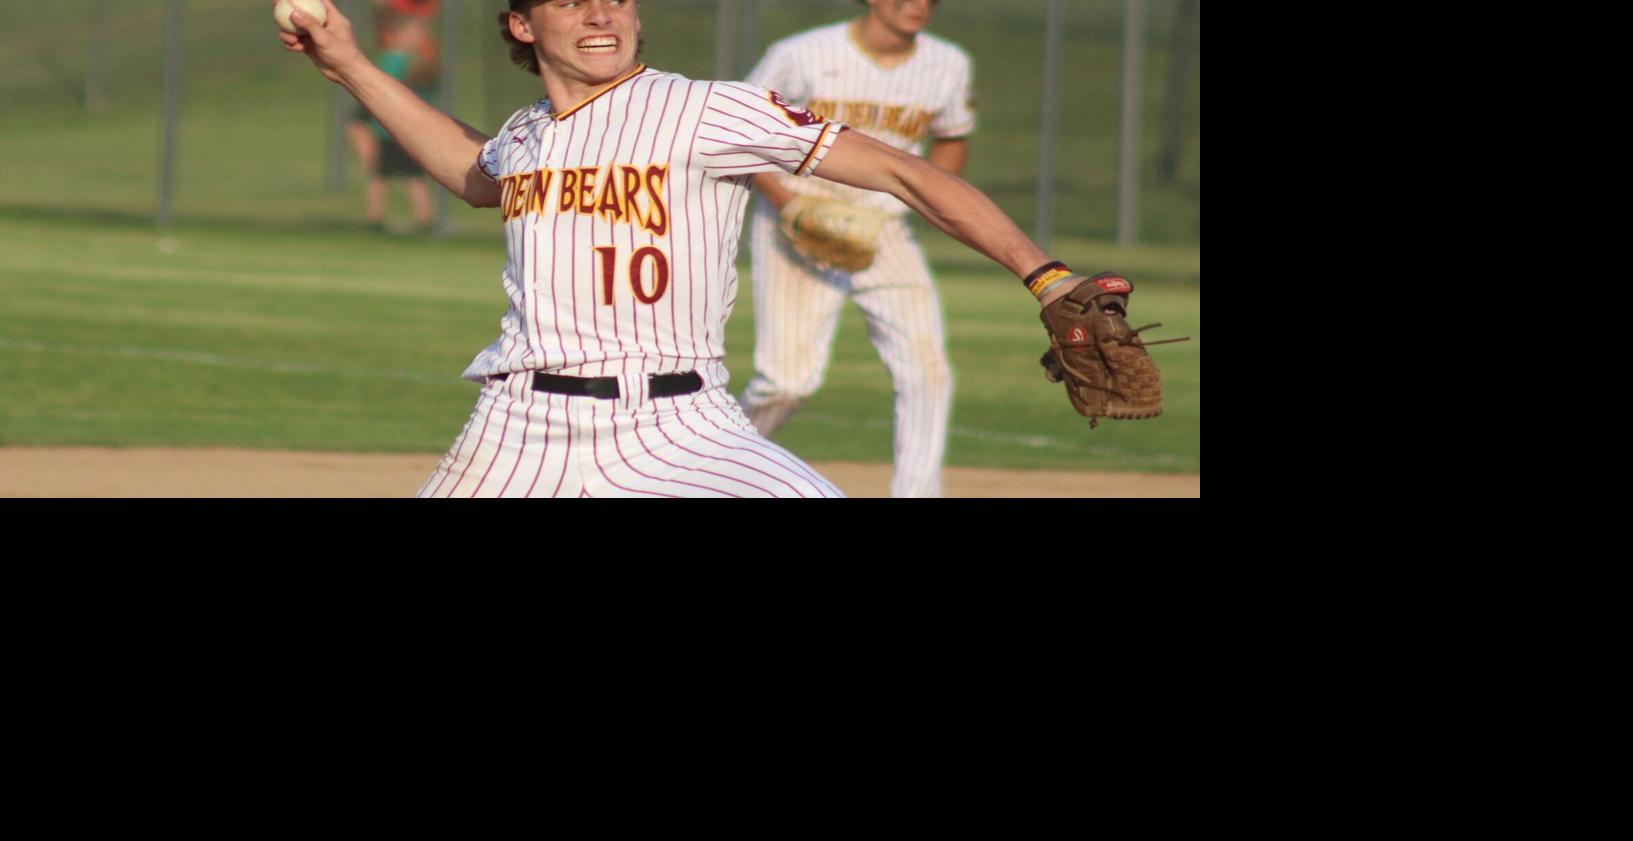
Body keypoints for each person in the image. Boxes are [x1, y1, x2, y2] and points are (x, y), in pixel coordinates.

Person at [278, 0, 1100, 498]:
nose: (601, 14)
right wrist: (349, 63)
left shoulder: (708, 110)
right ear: (523, 25)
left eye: (615, 1)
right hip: (518, 423)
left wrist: (1046, 275)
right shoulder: (526, 135)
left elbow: (899, 171)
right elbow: (472, 169)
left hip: (679, 421)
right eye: (570, 3)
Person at [739, 0, 970, 499]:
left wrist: (926, 197)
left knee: (927, 369)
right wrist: (788, 205)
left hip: (884, 223)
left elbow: (952, 138)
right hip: (799, 219)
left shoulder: (948, 63)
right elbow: (745, 135)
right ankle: (713, 468)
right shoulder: (801, 55)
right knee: (787, 383)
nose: (918, 6)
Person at [343, 0, 440, 232]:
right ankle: (377, 218)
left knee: (412, 177)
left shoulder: (414, 60)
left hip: (408, 132)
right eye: (413, 34)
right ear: (395, 36)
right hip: (392, 132)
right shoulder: (394, 60)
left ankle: (423, 220)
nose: (418, 38)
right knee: (381, 176)